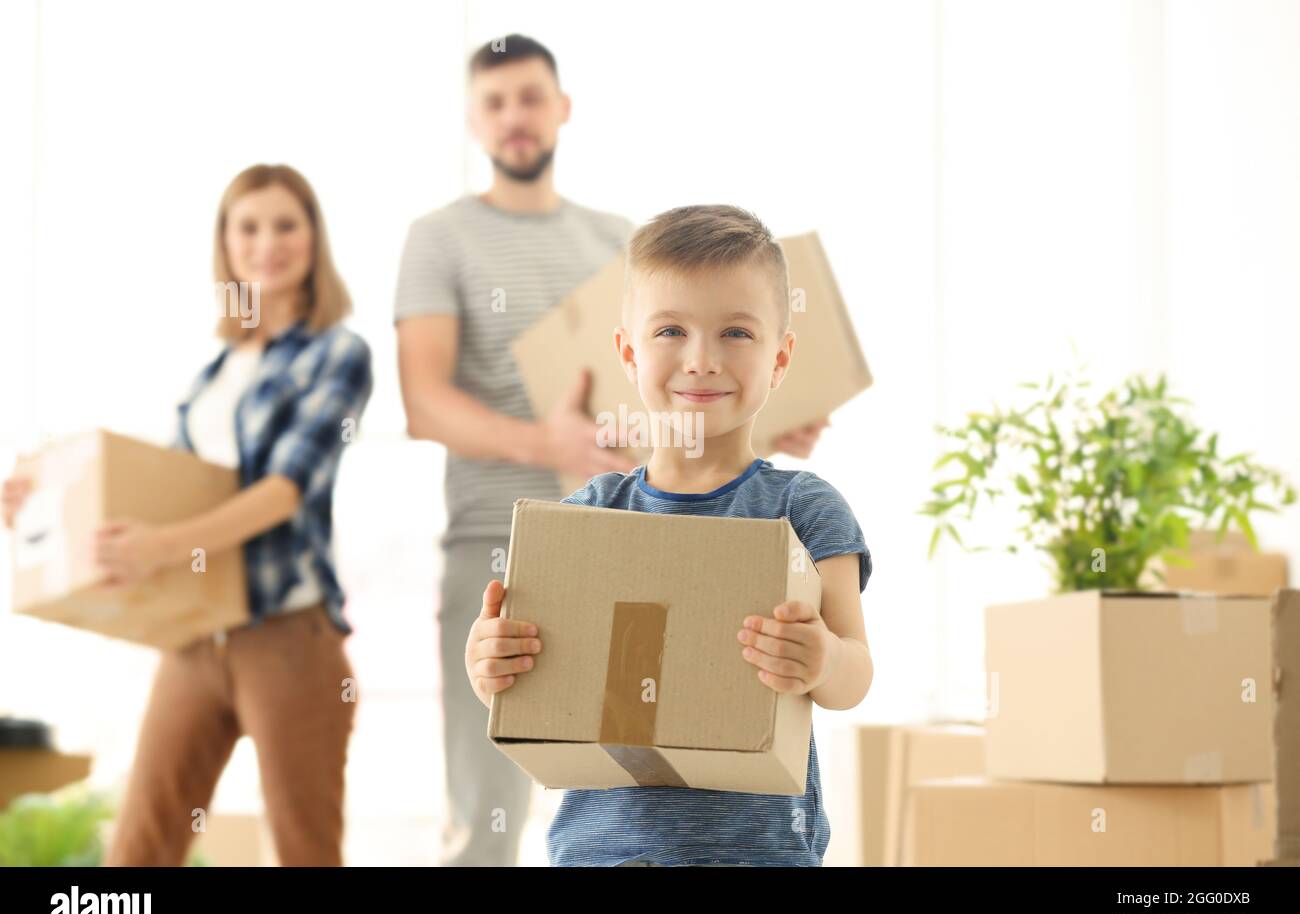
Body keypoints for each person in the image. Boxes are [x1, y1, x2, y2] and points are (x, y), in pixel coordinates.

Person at [395, 34, 829, 868]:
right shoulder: (440, 237)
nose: (515, 117)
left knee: (662, 763)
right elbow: (424, 401)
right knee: (488, 788)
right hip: (497, 533)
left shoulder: (618, 239)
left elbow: (680, 400)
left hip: (644, 533)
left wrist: (775, 428)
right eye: (495, 102)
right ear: (473, 121)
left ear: (561, 109)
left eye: (530, 97)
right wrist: (546, 443)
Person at [465, 204, 872, 866]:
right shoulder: (589, 515)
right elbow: (534, 687)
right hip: (606, 853)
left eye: (737, 332)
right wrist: (487, 664)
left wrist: (822, 657)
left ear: (780, 358)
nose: (702, 360)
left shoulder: (804, 509)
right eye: (671, 330)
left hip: (760, 855)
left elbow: (853, 673)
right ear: (628, 352)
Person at [3, 163, 374, 866]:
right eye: (249, 227)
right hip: (195, 639)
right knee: (138, 851)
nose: (268, 243)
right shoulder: (213, 375)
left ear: (314, 239)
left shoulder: (337, 352)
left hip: (289, 634)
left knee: (305, 851)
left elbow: (284, 489)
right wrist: (39, 507)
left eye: (286, 224)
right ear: (226, 245)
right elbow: (159, 497)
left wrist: (166, 545)